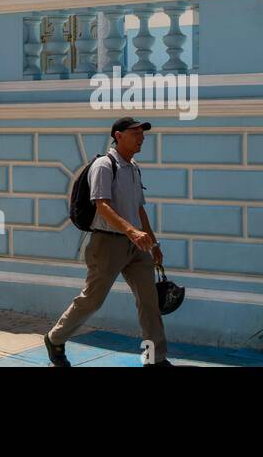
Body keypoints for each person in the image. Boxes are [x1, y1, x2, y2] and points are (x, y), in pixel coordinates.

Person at [43, 117, 171, 367]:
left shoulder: (133, 167)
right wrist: (132, 231)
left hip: (137, 246)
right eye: (135, 132)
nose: (141, 137)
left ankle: (154, 359)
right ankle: (55, 338)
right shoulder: (104, 165)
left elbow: (139, 209)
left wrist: (153, 243)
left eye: (142, 133)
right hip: (107, 243)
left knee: (149, 302)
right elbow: (102, 205)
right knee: (93, 299)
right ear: (118, 135)